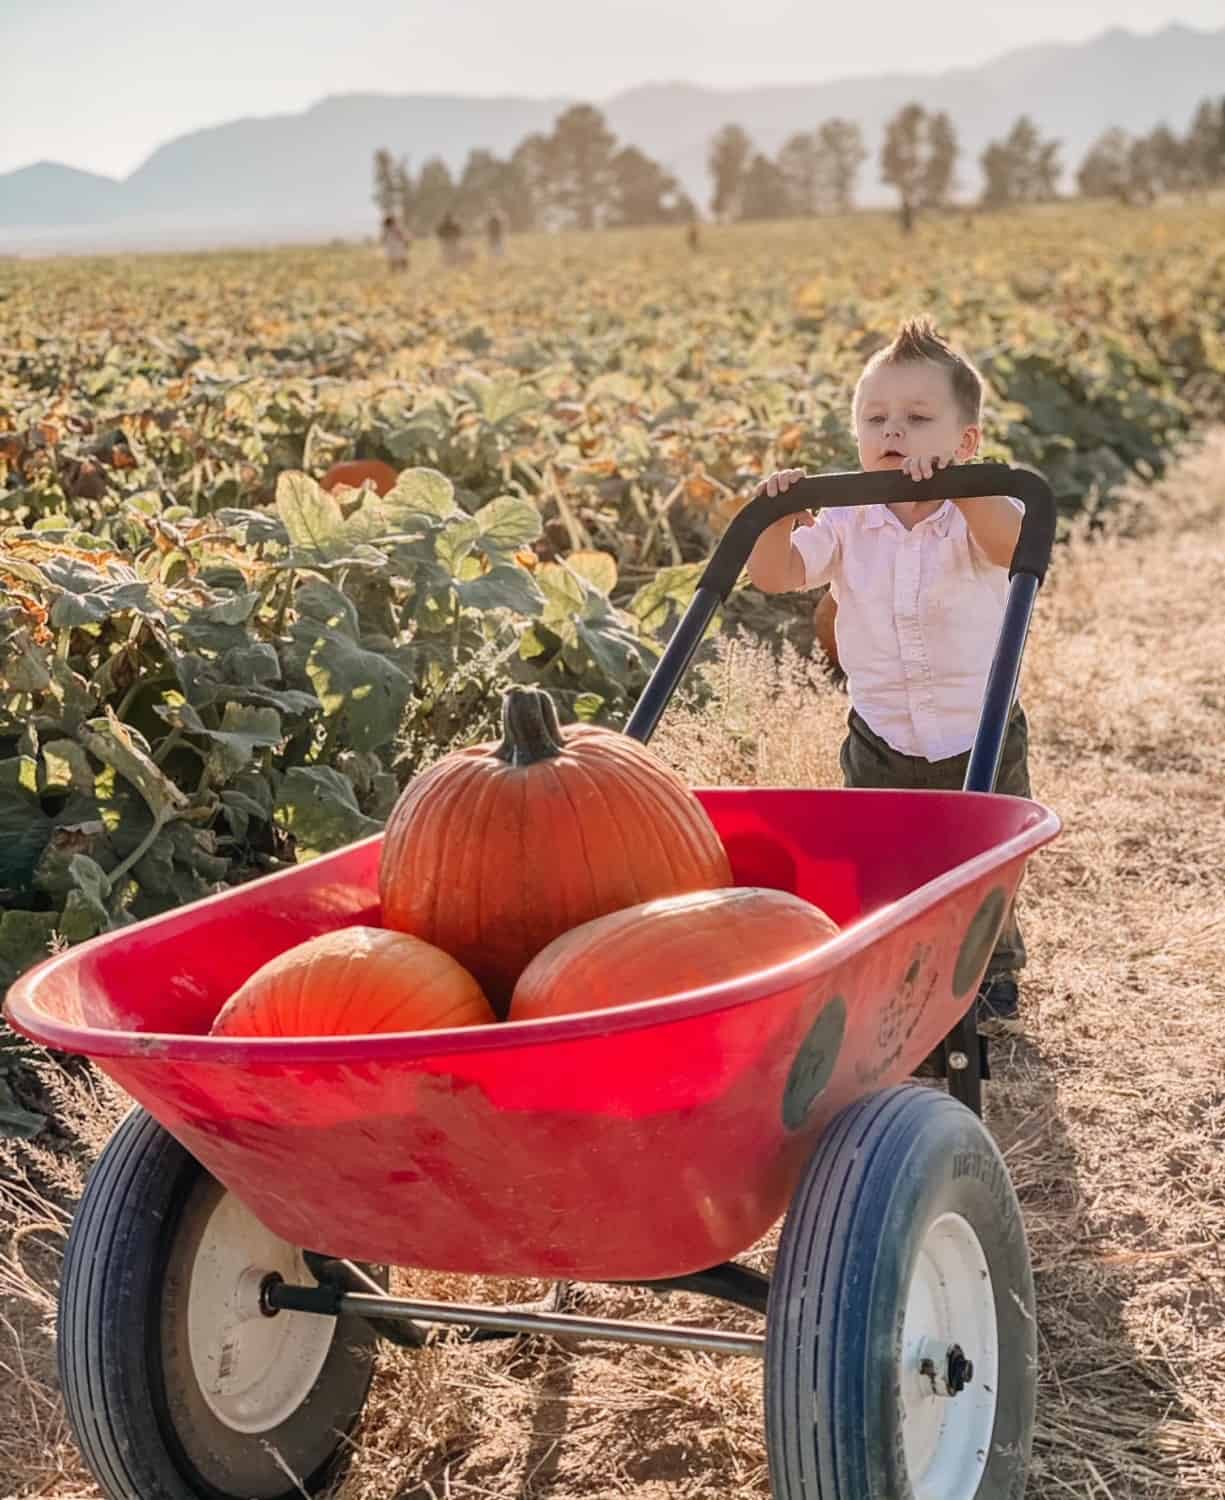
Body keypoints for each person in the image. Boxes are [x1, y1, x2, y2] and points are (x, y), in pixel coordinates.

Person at [745, 317, 1031, 1036]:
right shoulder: (846, 518)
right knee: (887, 865)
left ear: (965, 443)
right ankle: (902, 967)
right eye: (875, 418)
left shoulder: (983, 509)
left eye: (916, 417)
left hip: (980, 727)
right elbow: (776, 576)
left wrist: (963, 489)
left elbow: (1017, 546)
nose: (892, 430)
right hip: (880, 730)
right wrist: (779, 514)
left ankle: (991, 973)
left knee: (984, 863)